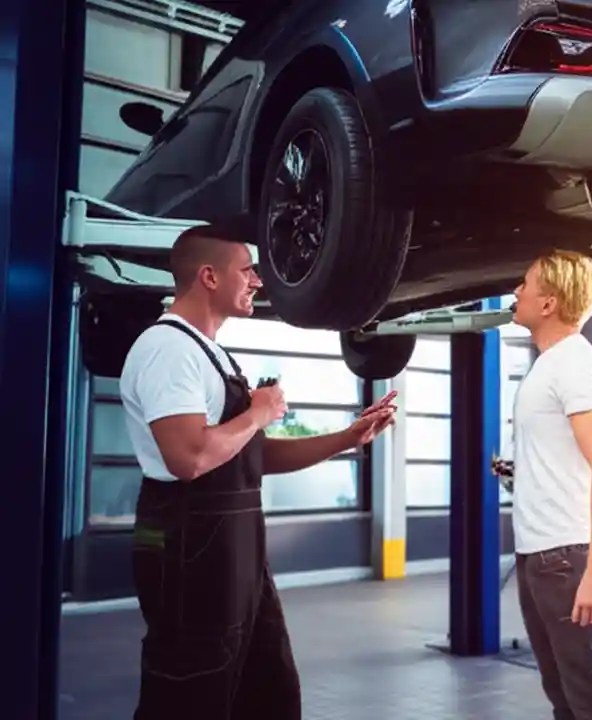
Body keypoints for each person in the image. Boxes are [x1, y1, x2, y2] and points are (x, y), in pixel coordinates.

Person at [118, 221, 397, 720]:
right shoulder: (167, 349)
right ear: (208, 276)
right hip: (190, 552)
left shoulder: (212, 354)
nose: (258, 280)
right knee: (189, 695)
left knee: (266, 689)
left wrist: (347, 439)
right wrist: (257, 413)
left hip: (235, 552)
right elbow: (191, 458)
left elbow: (252, 455)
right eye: (247, 270)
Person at [509, 249, 592, 720]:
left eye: (526, 283)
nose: (516, 291)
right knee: (564, 696)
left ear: (549, 304)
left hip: (565, 558)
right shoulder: (549, 365)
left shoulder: (577, 364)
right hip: (539, 556)